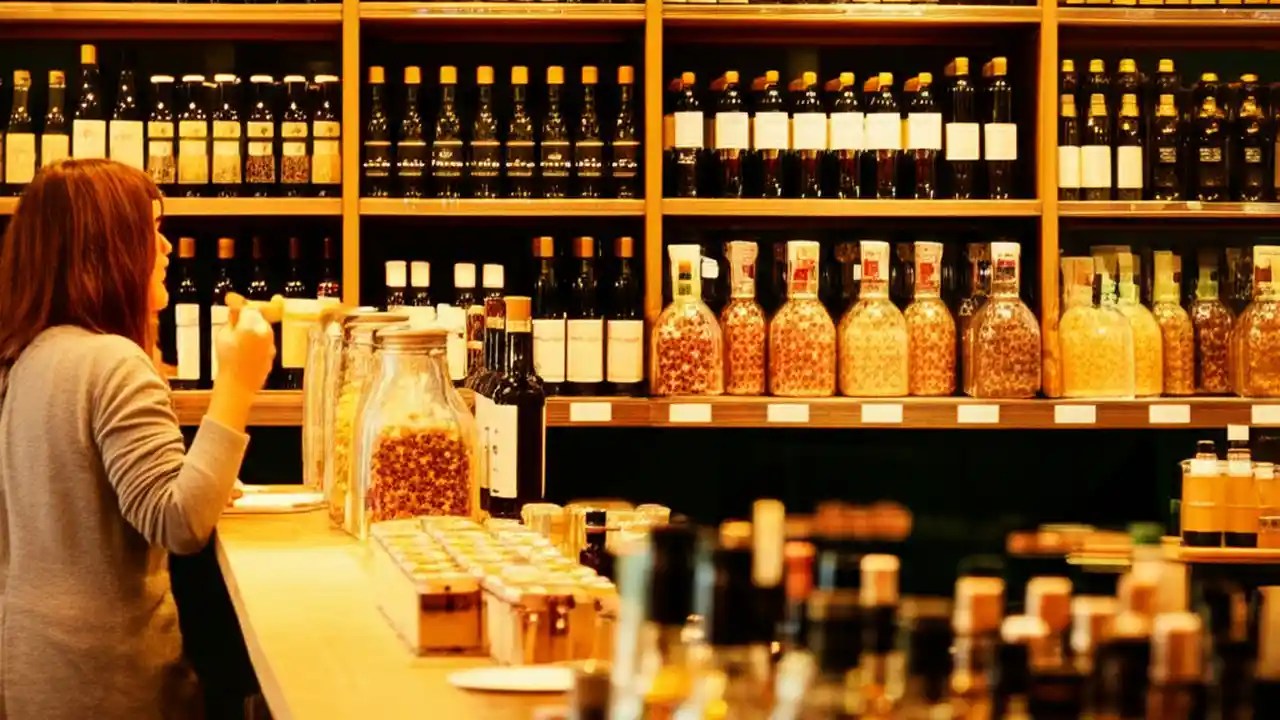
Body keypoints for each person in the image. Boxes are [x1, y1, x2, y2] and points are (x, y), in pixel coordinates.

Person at [0, 159, 275, 719]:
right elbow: (178, 523)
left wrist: (208, 475)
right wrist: (238, 384)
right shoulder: (113, 361)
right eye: (151, 229)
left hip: (36, 664)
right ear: (103, 248)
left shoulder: (31, 355)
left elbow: (97, 496)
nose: (168, 248)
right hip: (112, 680)